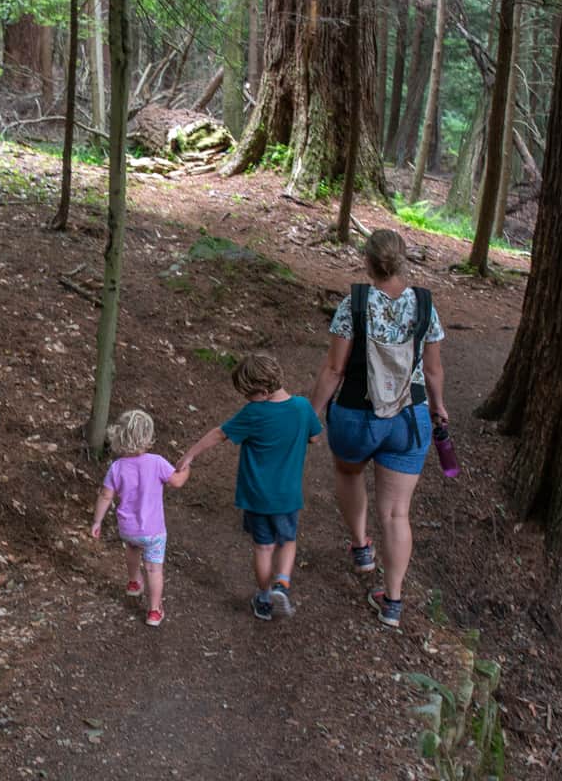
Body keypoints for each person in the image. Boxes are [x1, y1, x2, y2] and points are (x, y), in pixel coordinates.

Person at [309, 229, 447, 629]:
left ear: (366, 262)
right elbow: (434, 370)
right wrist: (438, 409)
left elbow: (335, 369)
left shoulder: (352, 304)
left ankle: (360, 547)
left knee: (348, 471)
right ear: (404, 261)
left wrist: (312, 413)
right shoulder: (425, 306)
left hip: (356, 414)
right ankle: (393, 601)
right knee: (397, 513)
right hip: (409, 418)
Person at [177, 354, 322, 621]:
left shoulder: (254, 413)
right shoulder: (302, 407)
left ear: (264, 392)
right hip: (287, 496)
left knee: (263, 548)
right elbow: (315, 436)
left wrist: (190, 455)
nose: (246, 400)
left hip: (256, 497)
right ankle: (282, 584)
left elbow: (220, 433)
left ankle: (265, 599)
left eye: (248, 394)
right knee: (288, 541)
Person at [92, 410, 190, 627]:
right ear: (148, 437)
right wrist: (186, 470)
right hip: (154, 532)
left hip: (129, 530)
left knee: (132, 549)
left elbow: (106, 495)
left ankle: (134, 582)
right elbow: (177, 482)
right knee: (154, 569)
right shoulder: (157, 462)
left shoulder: (116, 467)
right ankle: (154, 611)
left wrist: (97, 521)